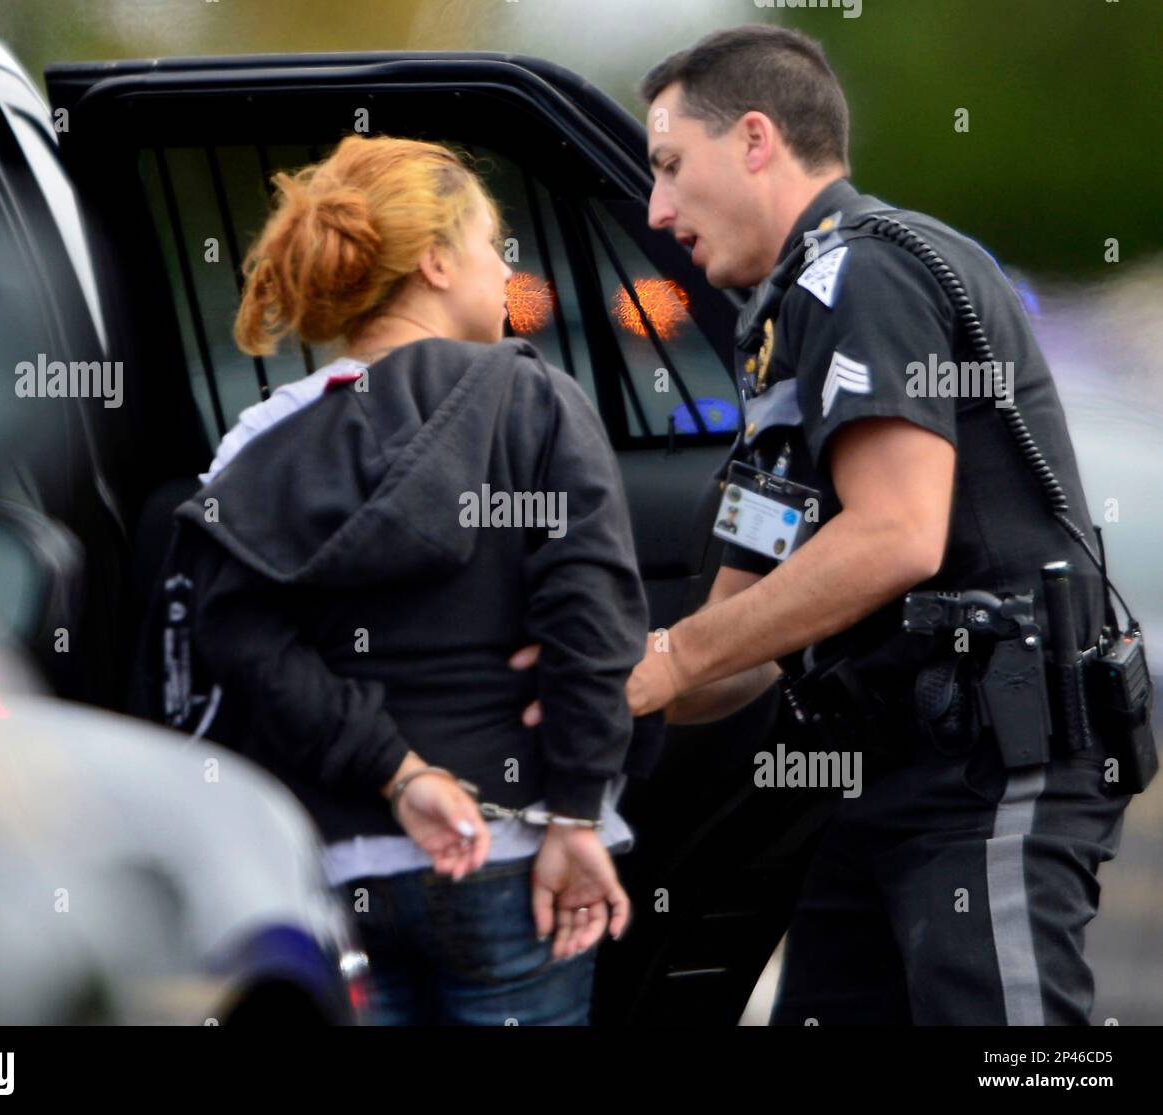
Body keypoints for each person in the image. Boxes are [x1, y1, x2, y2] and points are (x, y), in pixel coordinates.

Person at [625, 25, 1137, 1024]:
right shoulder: (778, 322)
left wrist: (674, 653)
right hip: (890, 774)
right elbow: (748, 623)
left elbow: (897, 532)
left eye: (671, 165)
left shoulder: (864, 271)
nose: (657, 209)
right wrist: (605, 685)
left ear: (757, 140)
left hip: (987, 768)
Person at [176, 134, 644, 1025]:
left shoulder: (255, 445)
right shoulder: (538, 404)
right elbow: (591, 620)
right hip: (517, 858)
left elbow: (237, 637)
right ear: (434, 260)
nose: (507, 268)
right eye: (491, 245)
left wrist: (394, 771)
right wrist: (576, 815)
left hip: (331, 872)